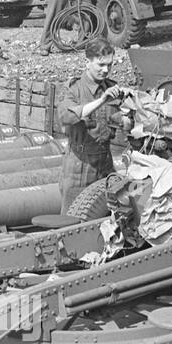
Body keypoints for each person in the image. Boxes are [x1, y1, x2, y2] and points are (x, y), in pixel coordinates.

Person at [56, 36, 128, 212]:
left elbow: (121, 121)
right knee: (74, 220)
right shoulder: (73, 89)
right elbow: (66, 116)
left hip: (105, 163)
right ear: (87, 62)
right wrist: (102, 100)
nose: (106, 70)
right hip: (80, 166)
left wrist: (131, 113)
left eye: (109, 65)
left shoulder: (111, 88)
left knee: (111, 217)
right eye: (100, 65)